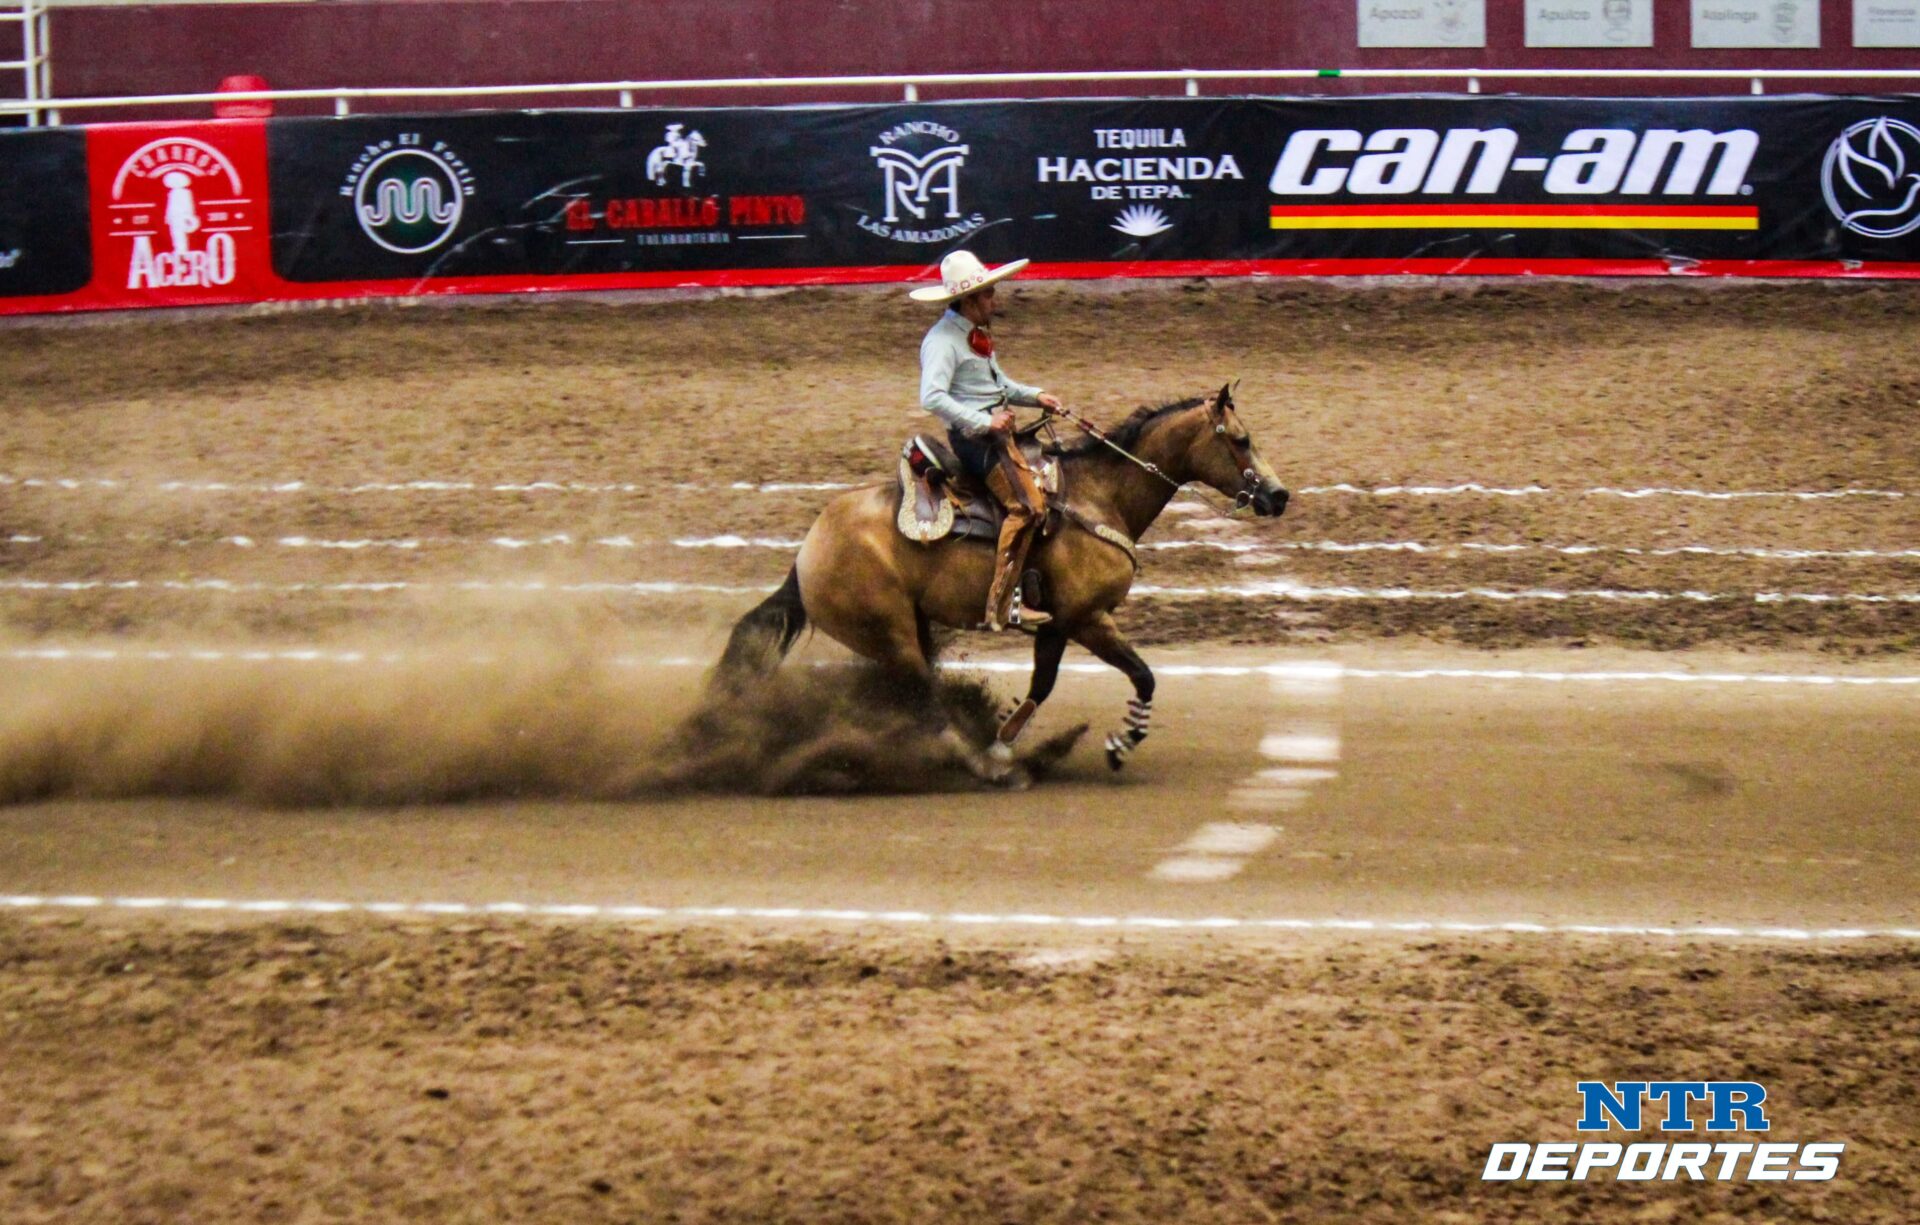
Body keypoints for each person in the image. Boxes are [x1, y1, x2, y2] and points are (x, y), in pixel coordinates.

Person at [911, 250, 1063, 631]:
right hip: (974, 441)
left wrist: (1035, 395)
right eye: (989, 294)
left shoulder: (975, 336)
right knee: (1027, 507)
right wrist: (986, 421)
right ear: (969, 299)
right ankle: (1000, 605)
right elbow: (932, 396)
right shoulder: (943, 341)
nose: (994, 300)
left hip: (993, 432)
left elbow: (1000, 385)